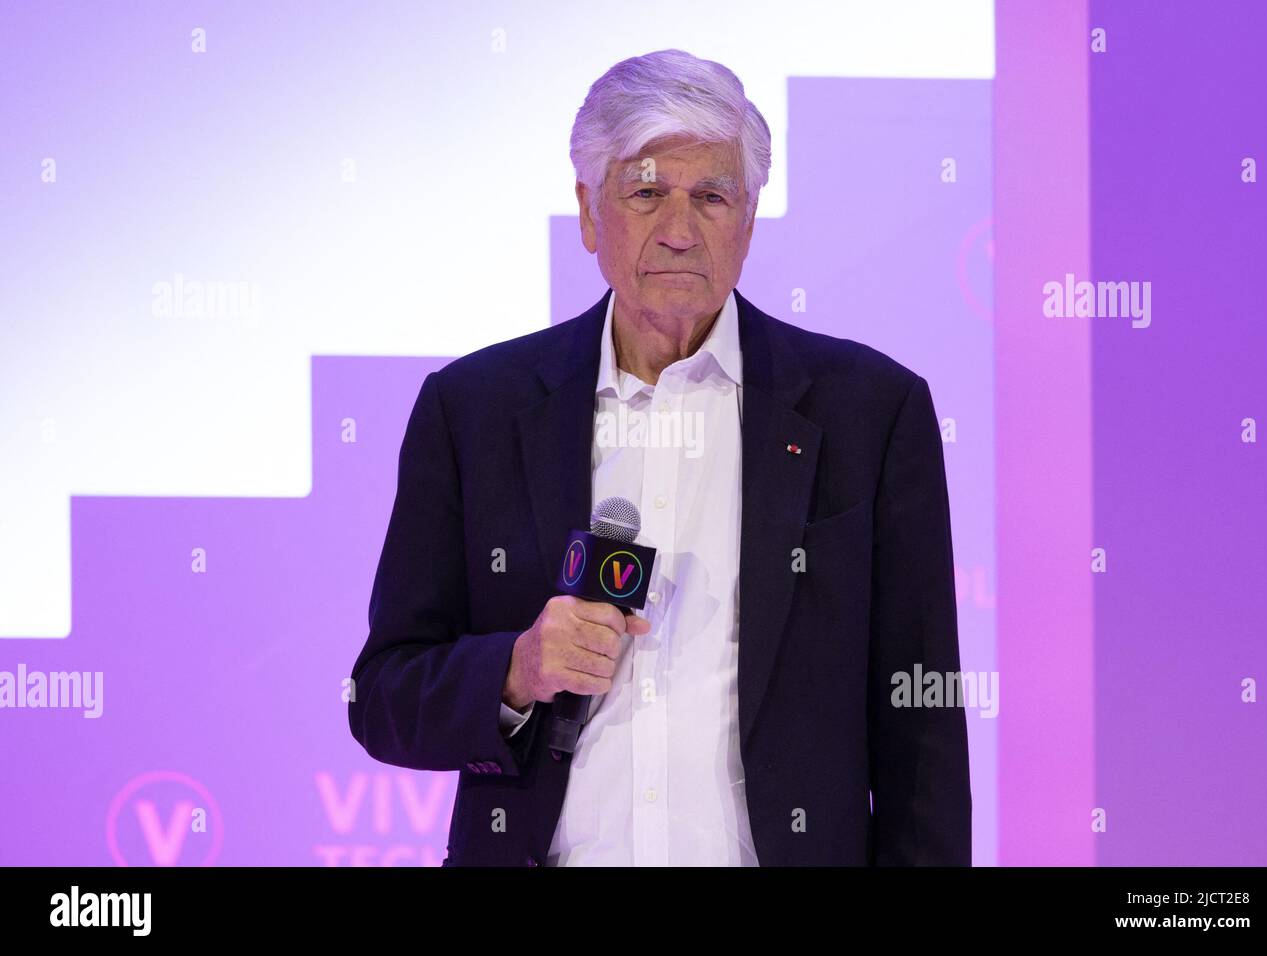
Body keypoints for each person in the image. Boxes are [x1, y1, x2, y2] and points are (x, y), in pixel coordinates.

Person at [348, 48, 970, 866]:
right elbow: (384, 697)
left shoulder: (870, 412)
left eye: (710, 196)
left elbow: (921, 729)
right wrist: (517, 668)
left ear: (749, 218)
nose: (679, 231)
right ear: (587, 210)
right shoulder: (474, 410)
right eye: (646, 193)